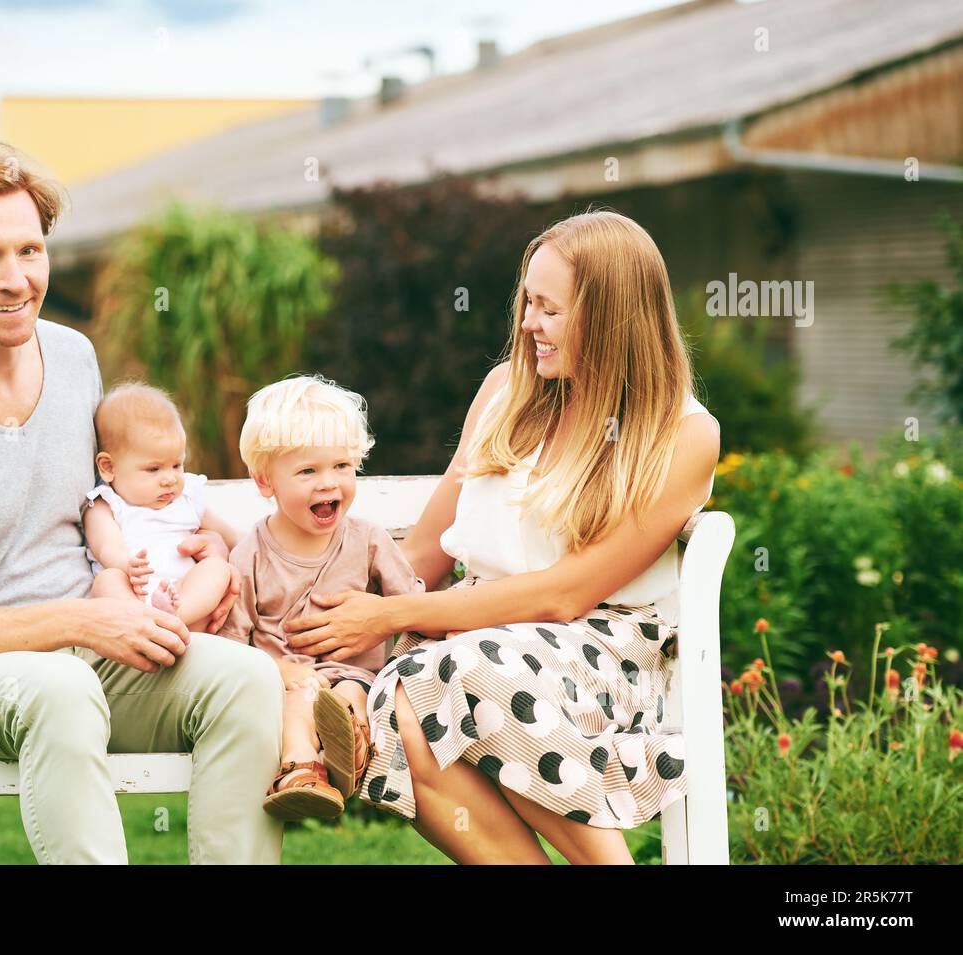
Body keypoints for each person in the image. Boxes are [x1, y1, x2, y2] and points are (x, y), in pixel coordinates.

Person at [0, 145, 284, 865]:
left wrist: (201, 544)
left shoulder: (75, 359)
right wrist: (81, 619)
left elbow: (111, 501)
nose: (16, 280)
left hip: (93, 655)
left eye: (30, 251)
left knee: (247, 680)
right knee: (62, 683)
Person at [283, 210, 721, 864]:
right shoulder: (504, 395)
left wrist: (396, 614)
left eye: (549, 309)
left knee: (467, 666)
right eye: (527, 303)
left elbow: (567, 595)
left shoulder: (683, 433)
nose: (527, 324)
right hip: (474, 639)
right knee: (400, 706)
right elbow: (425, 554)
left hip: (605, 651)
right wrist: (332, 616)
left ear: (608, 318)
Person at [219, 375, 425, 821]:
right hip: (283, 687)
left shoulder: (368, 540)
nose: (328, 484)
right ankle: (302, 772)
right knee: (300, 703)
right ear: (264, 480)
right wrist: (284, 670)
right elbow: (230, 645)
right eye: (308, 471)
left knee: (350, 692)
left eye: (342, 466)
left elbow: (411, 606)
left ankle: (348, 741)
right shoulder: (250, 553)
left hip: (356, 678)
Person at [84, 381, 233, 630]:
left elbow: (232, 538)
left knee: (218, 568)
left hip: (187, 600)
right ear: (109, 468)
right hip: (134, 599)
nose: (170, 479)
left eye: (177, 465)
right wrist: (126, 564)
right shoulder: (106, 505)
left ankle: (172, 617)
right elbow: (107, 548)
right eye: (154, 469)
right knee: (107, 581)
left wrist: (228, 551)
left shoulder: (187, 498)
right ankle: (148, 622)